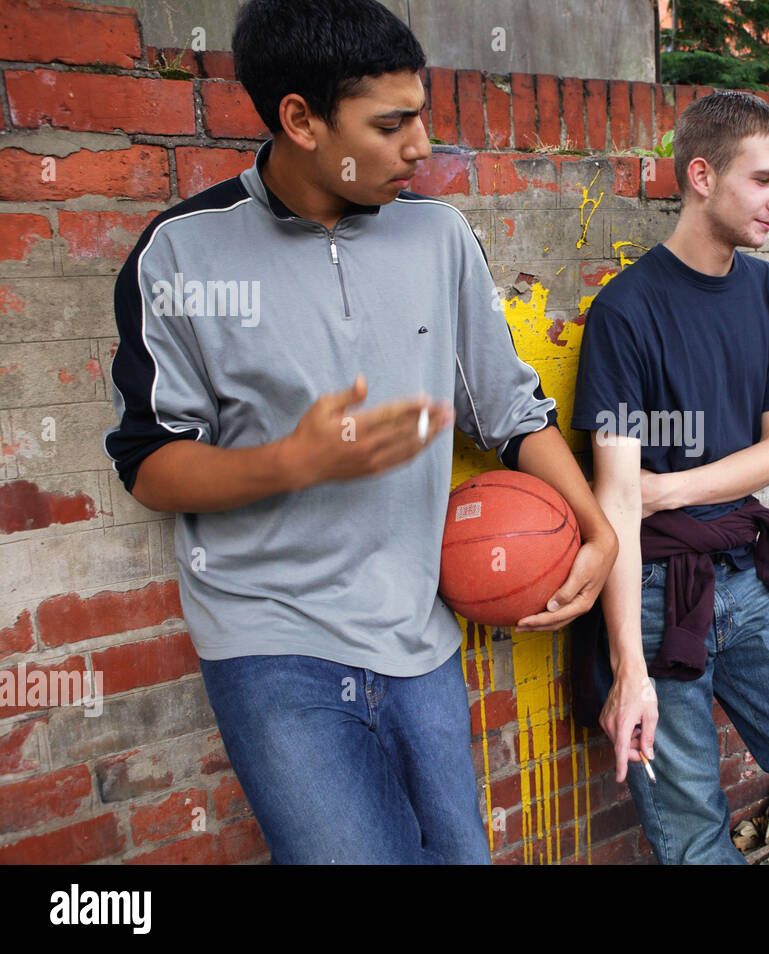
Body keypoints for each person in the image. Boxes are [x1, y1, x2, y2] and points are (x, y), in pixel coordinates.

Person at [101, 0, 616, 864]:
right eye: (392, 124)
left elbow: (511, 413)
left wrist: (597, 530)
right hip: (270, 639)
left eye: (421, 114)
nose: (422, 146)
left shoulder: (439, 236)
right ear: (300, 119)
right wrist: (292, 462)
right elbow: (151, 465)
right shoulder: (180, 254)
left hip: (418, 628)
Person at [570, 91, 769, 865]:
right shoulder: (625, 312)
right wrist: (629, 668)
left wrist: (664, 489)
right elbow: (616, 510)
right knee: (695, 836)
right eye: (764, 180)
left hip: (747, 576)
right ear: (701, 174)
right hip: (657, 594)